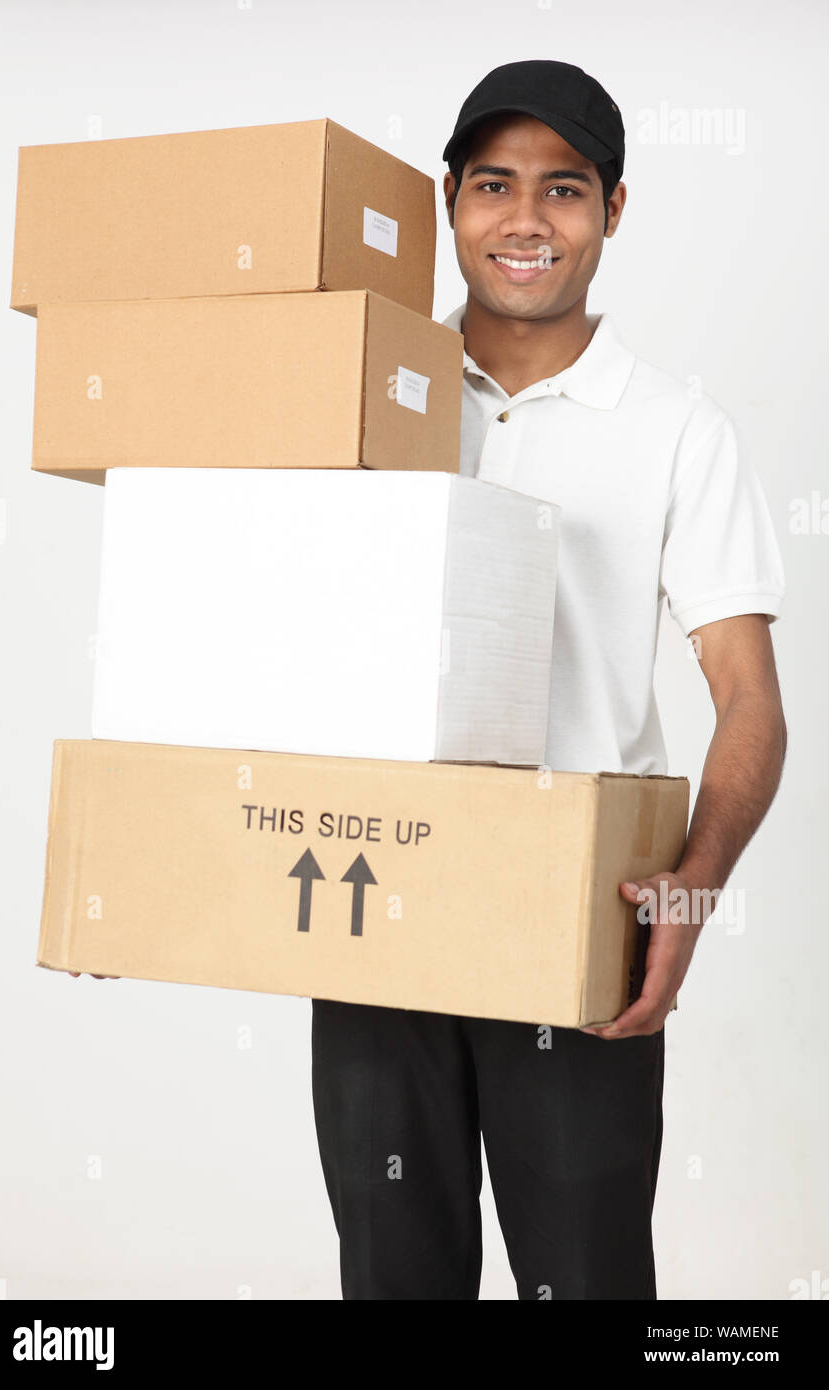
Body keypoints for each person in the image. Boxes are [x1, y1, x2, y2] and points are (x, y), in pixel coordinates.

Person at [310, 59, 787, 1300]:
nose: (524, 220)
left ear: (612, 209)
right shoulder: (361, 394)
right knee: (391, 1278)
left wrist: (689, 894)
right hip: (376, 902)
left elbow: (750, 700)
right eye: (492, 185)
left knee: (582, 1283)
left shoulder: (678, 430)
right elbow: (251, 620)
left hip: (577, 923)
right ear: (447, 202)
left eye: (562, 189)